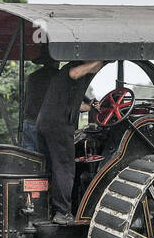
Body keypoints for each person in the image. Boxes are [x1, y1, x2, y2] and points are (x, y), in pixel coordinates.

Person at [35, 59, 105, 224]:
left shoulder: (63, 79)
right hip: (59, 124)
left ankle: (47, 209)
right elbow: (75, 73)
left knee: (49, 167)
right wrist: (97, 63)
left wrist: (91, 107)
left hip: (44, 123)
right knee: (64, 168)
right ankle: (63, 213)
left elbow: (74, 104)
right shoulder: (73, 70)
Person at [19, 51, 59, 151]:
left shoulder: (32, 77)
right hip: (45, 124)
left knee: (29, 157)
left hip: (28, 121)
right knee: (47, 159)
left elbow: (26, 99)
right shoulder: (58, 77)